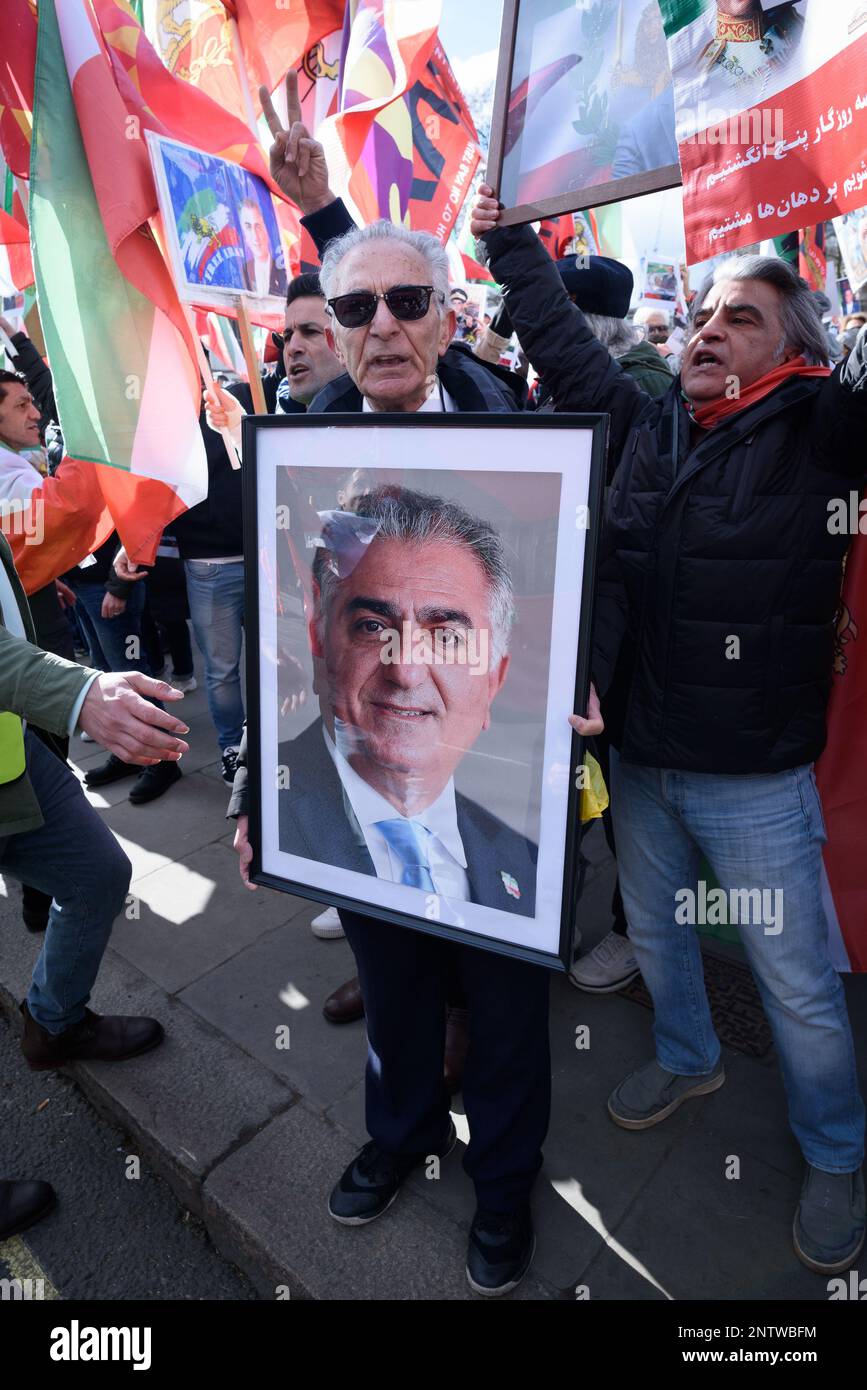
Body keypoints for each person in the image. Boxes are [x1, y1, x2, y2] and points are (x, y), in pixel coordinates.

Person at [472, 184, 867, 1276]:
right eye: (702, 314)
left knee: (794, 983)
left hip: (754, 779)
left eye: (741, 318)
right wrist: (507, 234)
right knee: (656, 937)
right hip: (639, 757)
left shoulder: (825, 434)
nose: (707, 329)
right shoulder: (647, 422)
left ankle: (838, 1149)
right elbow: (556, 334)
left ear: (795, 350)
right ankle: (688, 1056)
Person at [0, 529, 190, 1241]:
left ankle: (52, 1022)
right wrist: (77, 690)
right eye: (17, 402)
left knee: (98, 874)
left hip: (11, 750)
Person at [275, 485, 538, 914]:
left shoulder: (526, 843)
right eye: (373, 627)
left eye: (448, 637)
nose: (405, 671)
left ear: (494, 680)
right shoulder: (270, 820)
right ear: (318, 638)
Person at [240, 195, 287, 299]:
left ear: (267, 230)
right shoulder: (244, 271)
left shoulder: (283, 268)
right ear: (244, 236)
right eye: (248, 227)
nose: (255, 236)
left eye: (258, 226)